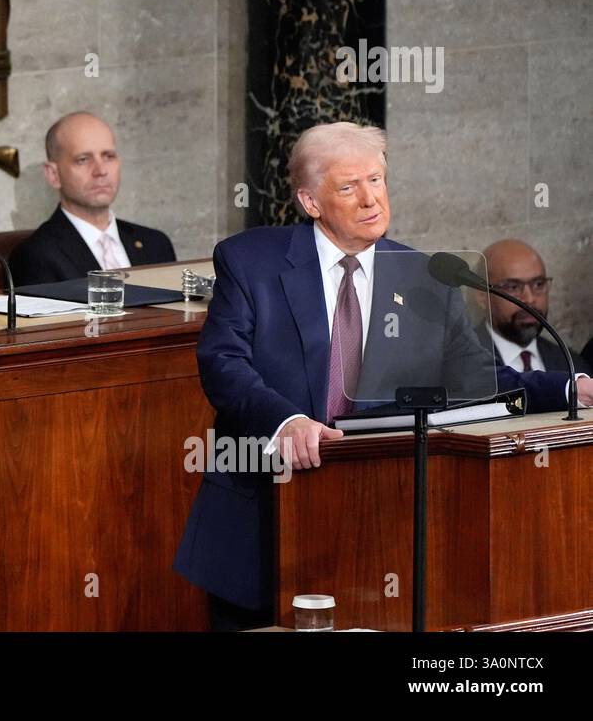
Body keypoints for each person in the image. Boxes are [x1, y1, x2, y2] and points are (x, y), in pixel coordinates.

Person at [173, 122, 593, 630]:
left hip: (378, 525)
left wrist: (573, 386)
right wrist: (286, 424)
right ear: (310, 201)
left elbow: (479, 379)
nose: (370, 199)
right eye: (348, 187)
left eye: (377, 180)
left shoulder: (426, 277)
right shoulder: (250, 261)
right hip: (262, 516)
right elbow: (223, 364)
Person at [8, 112, 174, 285]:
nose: (101, 171)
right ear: (53, 174)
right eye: (83, 160)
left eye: (108, 156)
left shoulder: (156, 244)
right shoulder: (35, 257)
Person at [477, 239, 589, 374]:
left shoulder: (571, 364)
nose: (529, 299)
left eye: (538, 284)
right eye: (513, 287)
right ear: (482, 296)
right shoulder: (458, 365)